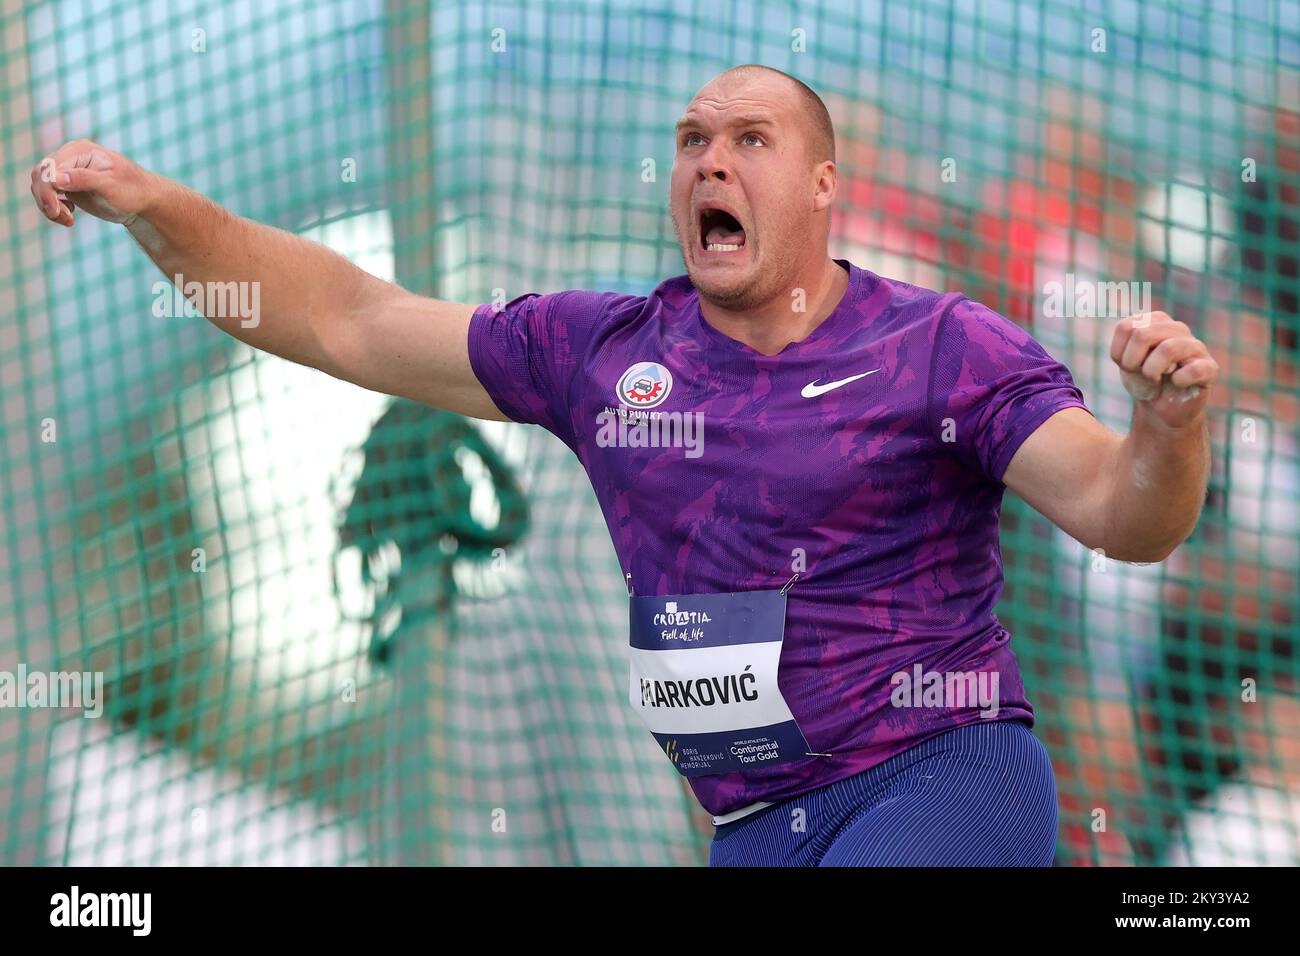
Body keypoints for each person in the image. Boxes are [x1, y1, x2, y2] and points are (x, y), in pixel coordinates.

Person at [29, 64, 1219, 867]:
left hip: (944, 777)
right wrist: (153, 205)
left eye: (751, 140)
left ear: (822, 187)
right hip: (748, 825)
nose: (710, 161)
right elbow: (344, 317)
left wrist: (1166, 430)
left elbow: (1123, 515)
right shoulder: (600, 352)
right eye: (692, 140)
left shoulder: (943, 349)